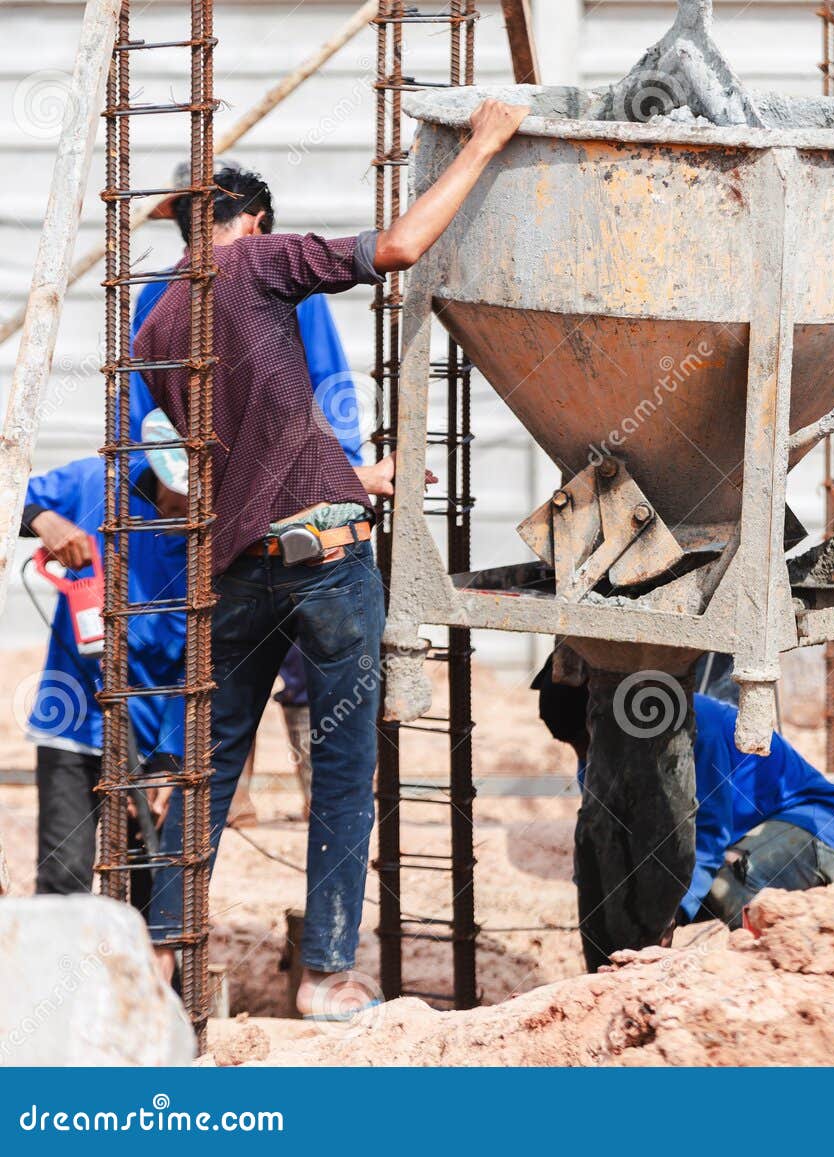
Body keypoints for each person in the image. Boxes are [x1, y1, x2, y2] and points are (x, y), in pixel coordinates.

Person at [135, 97, 529, 1017]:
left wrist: (354, 471)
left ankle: (155, 960)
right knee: (347, 771)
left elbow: (245, 446)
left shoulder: (155, 329)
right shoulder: (257, 260)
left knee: (207, 766)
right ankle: (326, 976)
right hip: (329, 566)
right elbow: (396, 247)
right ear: (251, 220)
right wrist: (483, 144)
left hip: (240, 568)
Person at [136, 160, 365, 827]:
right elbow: (328, 386)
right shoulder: (279, 278)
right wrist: (350, 472)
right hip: (281, 506)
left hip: (194, 505)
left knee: (215, 648)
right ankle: (308, 792)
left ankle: (221, 793)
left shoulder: (155, 299)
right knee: (295, 647)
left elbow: (137, 415)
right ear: (256, 221)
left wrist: (165, 487)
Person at [535, 662, 834, 959]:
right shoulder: (600, 748)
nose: (584, 758)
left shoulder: (693, 729)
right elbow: (607, 836)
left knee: (726, 883)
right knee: (639, 894)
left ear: (601, 717)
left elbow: (708, 837)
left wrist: (672, 913)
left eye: (587, 742)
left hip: (818, 825)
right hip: (742, 833)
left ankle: (780, 973)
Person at [17, 431, 189, 906]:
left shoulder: (215, 541)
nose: (185, 506)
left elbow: (207, 666)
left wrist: (170, 763)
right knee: (64, 879)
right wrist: (41, 518)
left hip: (156, 739)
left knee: (155, 887)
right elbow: (11, 491)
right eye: (177, 492)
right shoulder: (97, 482)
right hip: (72, 725)